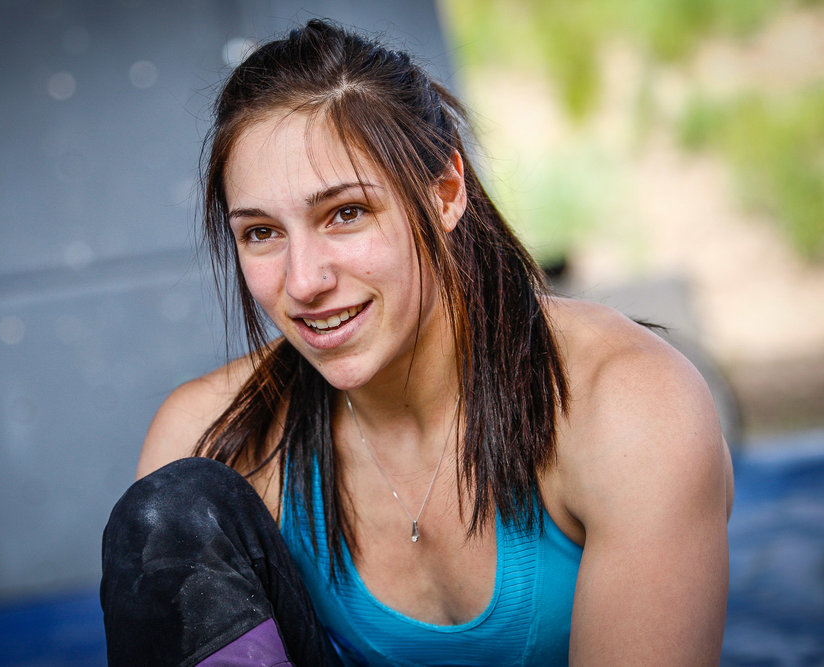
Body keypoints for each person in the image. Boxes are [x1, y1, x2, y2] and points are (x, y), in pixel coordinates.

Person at [100, 19, 734, 666]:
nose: (304, 281)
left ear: (446, 194)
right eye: (262, 232)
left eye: (345, 213)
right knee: (170, 513)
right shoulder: (215, 435)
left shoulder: (622, 405)